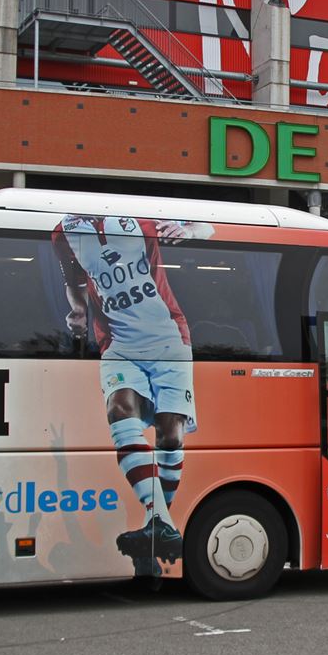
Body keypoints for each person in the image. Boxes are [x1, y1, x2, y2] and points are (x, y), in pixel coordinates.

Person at [53, 214, 212, 578]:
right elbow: (74, 281)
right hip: (118, 344)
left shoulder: (140, 219)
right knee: (119, 409)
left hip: (169, 340)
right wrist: (78, 310)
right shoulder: (63, 232)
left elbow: (212, 227)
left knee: (170, 434)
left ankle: (155, 527)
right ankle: (160, 522)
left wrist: (189, 230)